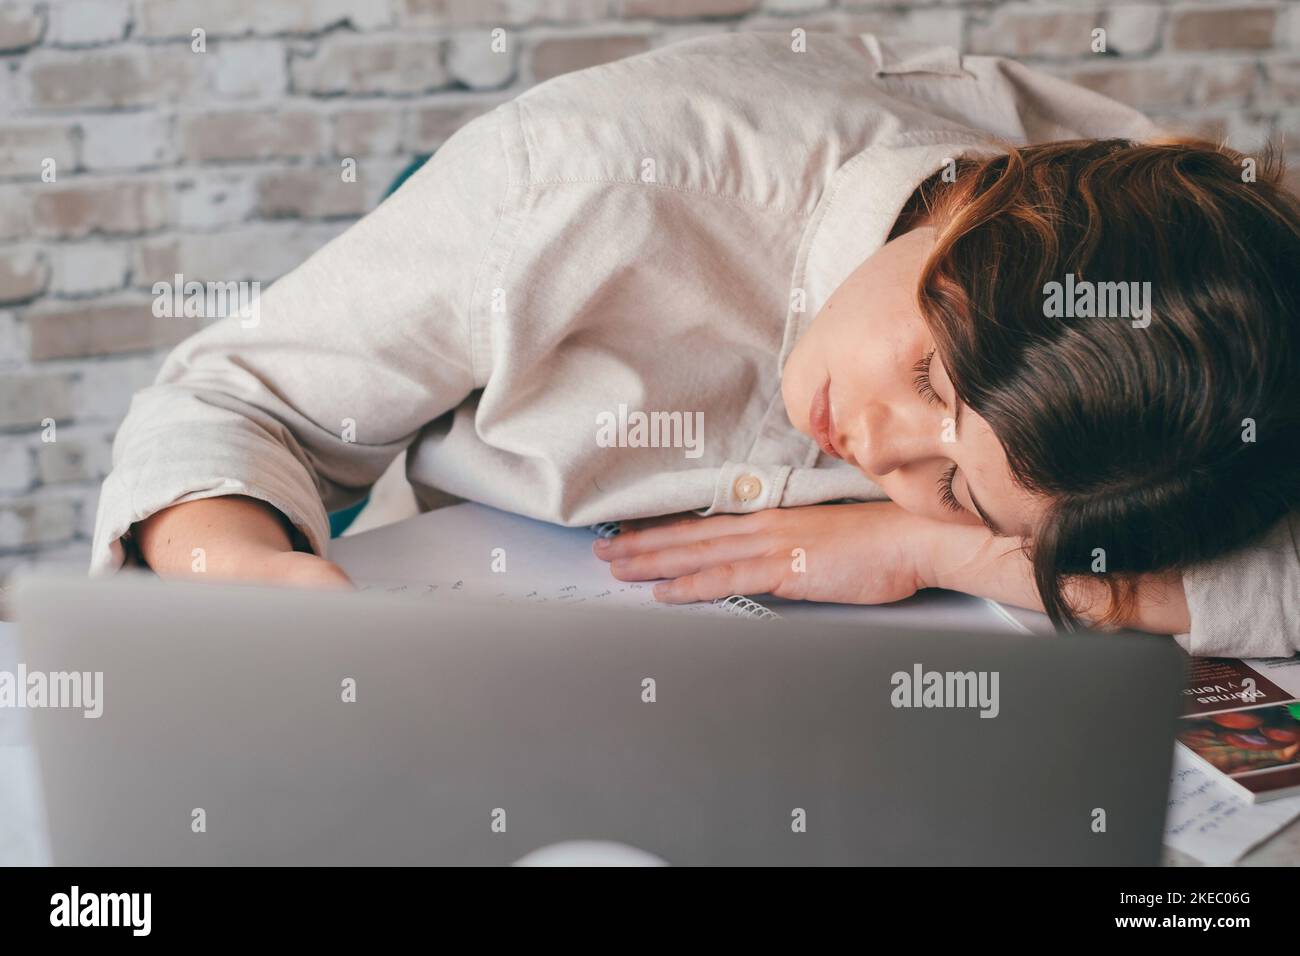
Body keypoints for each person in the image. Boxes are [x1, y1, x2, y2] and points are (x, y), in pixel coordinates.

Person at [91, 33, 1300, 657]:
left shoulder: (1226, 297)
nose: (870, 439)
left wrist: (931, 547)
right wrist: (235, 570)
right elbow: (228, 399)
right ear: (980, 208)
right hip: (498, 641)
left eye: (953, 482)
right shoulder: (573, 187)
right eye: (931, 369)